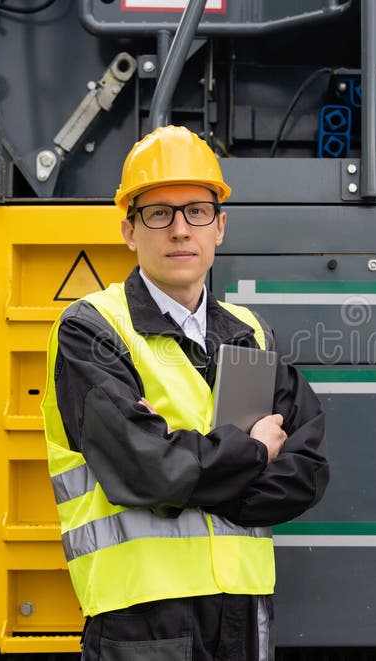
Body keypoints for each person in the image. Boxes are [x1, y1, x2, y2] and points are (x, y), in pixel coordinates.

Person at [41, 125, 329, 661]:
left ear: (219, 227)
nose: (179, 230)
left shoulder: (251, 332)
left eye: (196, 211)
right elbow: (144, 470)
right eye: (159, 213)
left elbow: (307, 473)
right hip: (143, 612)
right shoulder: (92, 330)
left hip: (244, 609)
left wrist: (181, 460)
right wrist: (254, 451)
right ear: (129, 230)